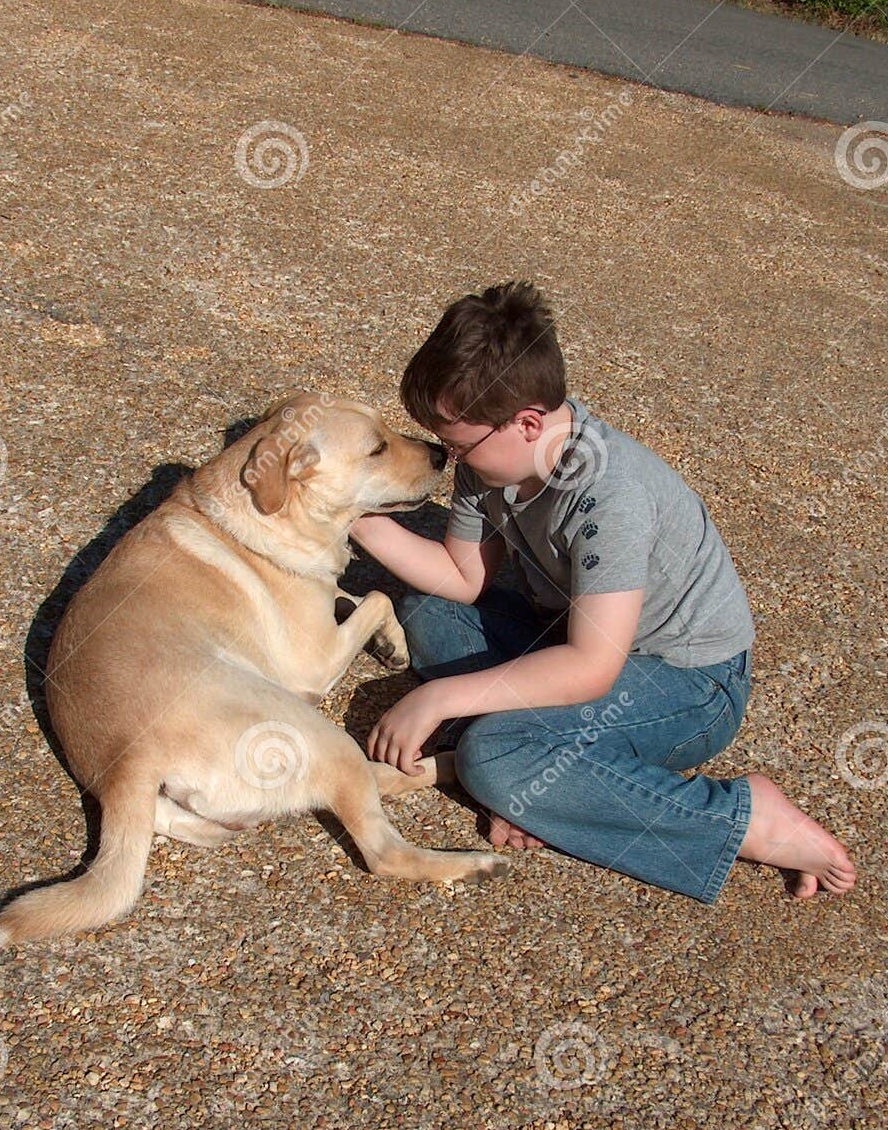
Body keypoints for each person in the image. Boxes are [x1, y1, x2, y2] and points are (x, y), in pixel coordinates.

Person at [351, 282, 857, 901]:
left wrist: (439, 701)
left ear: (528, 422)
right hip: (571, 639)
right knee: (428, 610)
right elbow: (462, 577)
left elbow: (591, 670)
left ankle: (744, 819)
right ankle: (555, 778)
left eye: (458, 445)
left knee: (493, 757)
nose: (450, 459)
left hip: (688, 682)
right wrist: (349, 513)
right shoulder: (494, 457)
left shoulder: (609, 496)